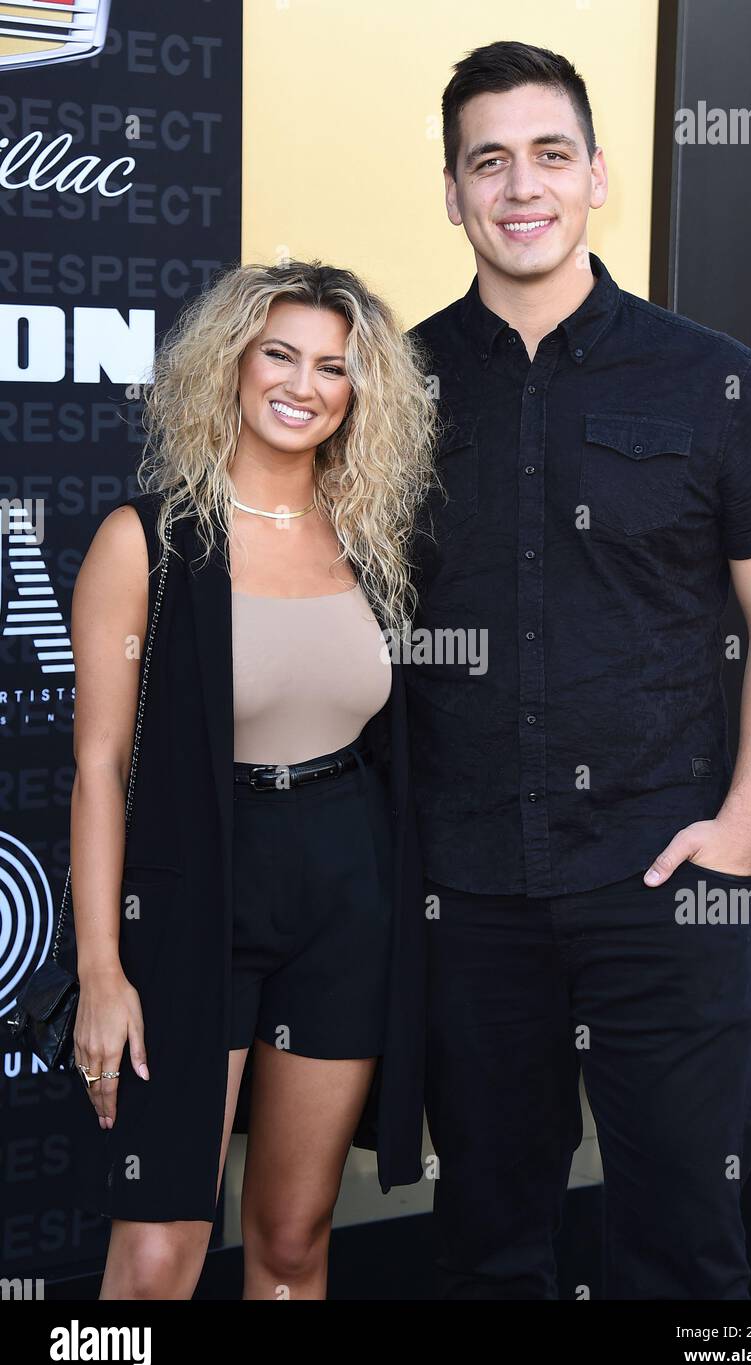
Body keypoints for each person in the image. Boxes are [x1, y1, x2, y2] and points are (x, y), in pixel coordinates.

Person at [406, 40, 751, 1299]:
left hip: (666, 881)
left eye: (547, 155)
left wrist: (743, 828)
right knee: (489, 1247)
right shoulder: (391, 388)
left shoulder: (711, 376)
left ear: (596, 176)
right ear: (451, 191)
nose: (519, 185)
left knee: (686, 1250)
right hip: (465, 896)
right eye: (488, 161)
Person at [70, 260, 436, 1299]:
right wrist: (102, 973)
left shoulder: (371, 544)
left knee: (291, 1240)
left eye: (333, 365)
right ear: (231, 363)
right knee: (156, 1254)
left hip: (345, 898)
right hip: (195, 897)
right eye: (280, 353)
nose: (302, 384)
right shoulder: (144, 541)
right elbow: (101, 768)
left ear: (357, 392)